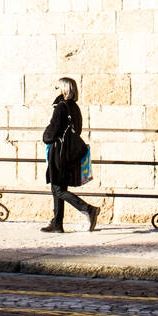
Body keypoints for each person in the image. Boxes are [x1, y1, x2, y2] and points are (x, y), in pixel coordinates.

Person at [41, 77, 100, 233]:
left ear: (64, 89)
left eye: (57, 87)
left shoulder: (60, 107)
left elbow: (51, 132)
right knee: (59, 187)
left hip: (59, 152)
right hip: (70, 153)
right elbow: (78, 130)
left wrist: (46, 136)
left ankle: (88, 209)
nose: (55, 90)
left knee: (57, 188)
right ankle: (57, 223)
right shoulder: (74, 107)